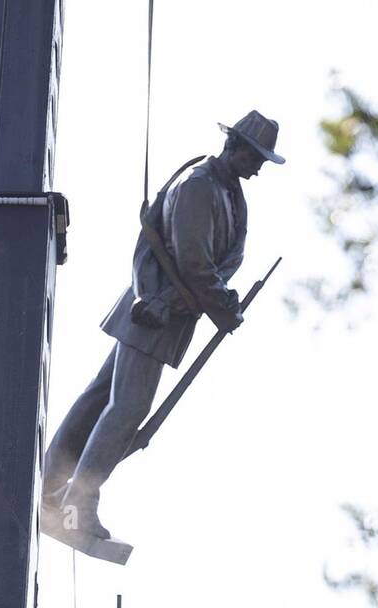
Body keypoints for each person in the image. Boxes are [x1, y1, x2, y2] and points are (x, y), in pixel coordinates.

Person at [42, 110, 284, 541]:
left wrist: (223, 298)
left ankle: (52, 486)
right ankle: (74, 502)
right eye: (257, 157)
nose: (259, 167)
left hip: (167, 317)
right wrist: (222, 307)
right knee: (127, 407)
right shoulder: (198, 185)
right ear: (236, 146)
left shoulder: (231, 196)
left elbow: (224, 261)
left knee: (102, 396)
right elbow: (192, 260)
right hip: (154, 312)